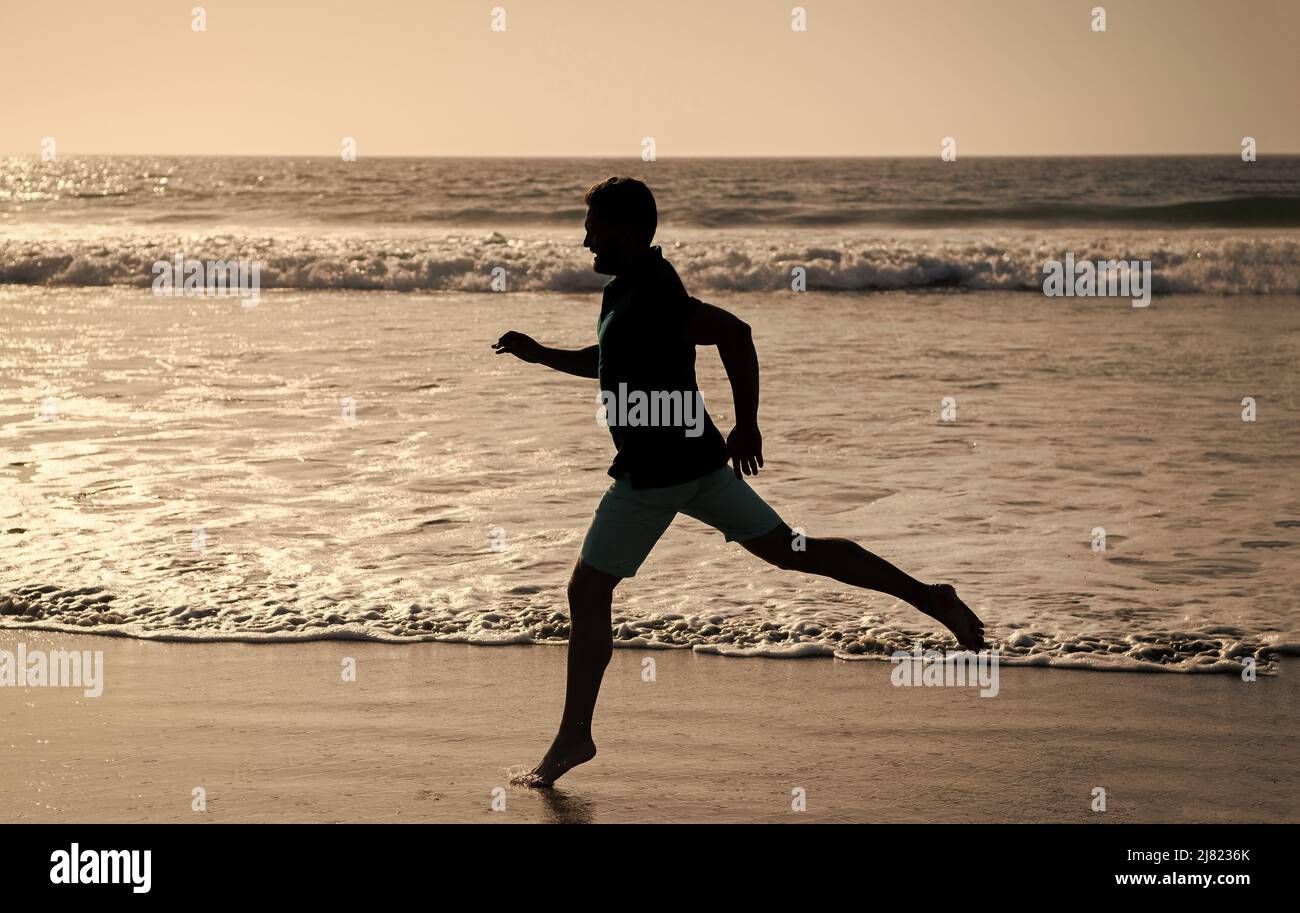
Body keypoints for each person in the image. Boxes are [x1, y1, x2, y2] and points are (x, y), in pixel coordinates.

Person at [491, 176, 985, 787]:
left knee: (587, 595)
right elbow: (611, 362)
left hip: (655, 475)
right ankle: (930, 597)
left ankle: (575, 736)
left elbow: (735, 332)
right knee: (792, 551)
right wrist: (542, 355)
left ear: (623, 230)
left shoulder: (651, 292)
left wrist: (748, 425)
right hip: (697, 465)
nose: (585, 235)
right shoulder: (627, 291)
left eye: (593, 224)